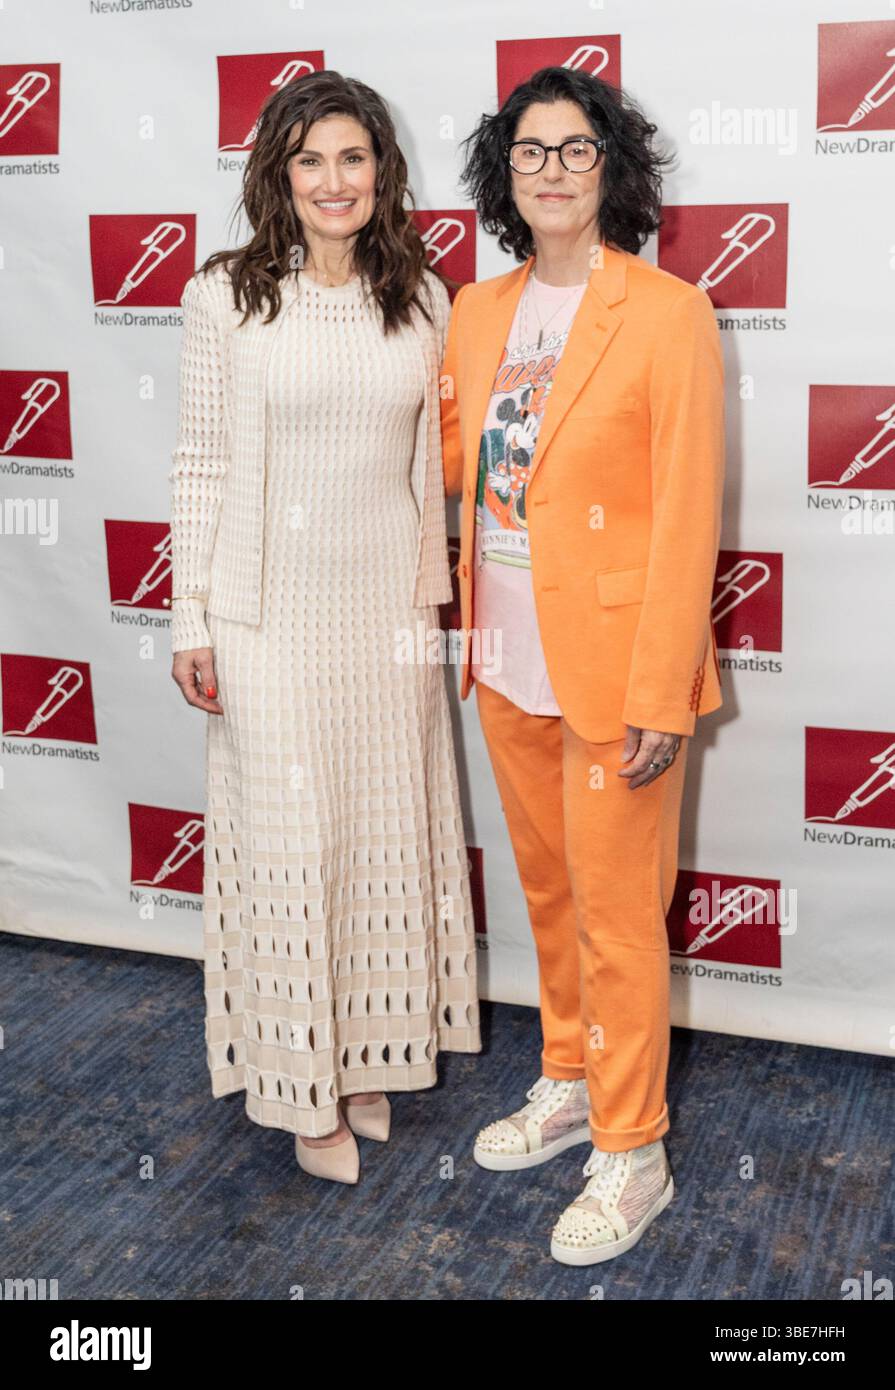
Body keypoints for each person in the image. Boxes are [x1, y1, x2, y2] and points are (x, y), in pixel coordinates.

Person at [167, 70, 480, 1186]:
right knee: (295, 845)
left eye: (353, 158)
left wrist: (434, 611)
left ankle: (361, 1059)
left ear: (380, 172)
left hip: (385, 612)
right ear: (278, 174)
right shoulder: (225, 296)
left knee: (379, 839)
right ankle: (301, 1088)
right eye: (310, 160)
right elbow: (199, 462)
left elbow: (423, 474)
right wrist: (190, 614)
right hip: (267, 616)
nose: (334, 181)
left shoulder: (423, 297)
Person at [440, 65, 724, 1263]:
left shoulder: (668, 312)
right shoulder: (473, 308)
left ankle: (634, 1145)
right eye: (528, 151)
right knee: (549, 897)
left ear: (610, 167)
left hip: (614, 670)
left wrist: (662, 684)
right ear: (503, 179)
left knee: (617, 917)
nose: (550, 169)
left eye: (574, 147)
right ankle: (566, 1076)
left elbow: (683, 509)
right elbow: (456, 475)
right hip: (505, 651)